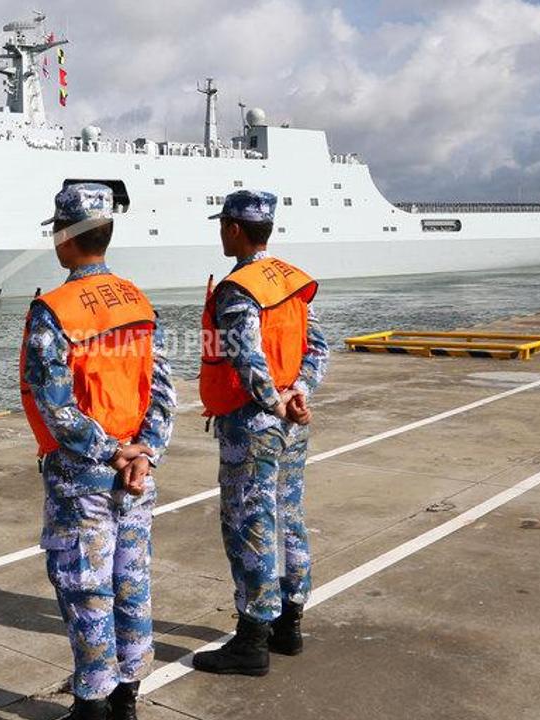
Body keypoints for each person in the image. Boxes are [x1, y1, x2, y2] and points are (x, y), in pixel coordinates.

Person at [19, 183, 177, 719]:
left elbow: (56, 406)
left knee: (85, 589)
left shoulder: (54, 310)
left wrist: (111, 454)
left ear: (65, 237)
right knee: (131, 582)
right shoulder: (137, 301)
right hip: (136, 474)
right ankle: (126, 697)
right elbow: (162, 391)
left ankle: (91, 706)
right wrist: (143, 454)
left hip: (83, 477)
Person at [191, 190, 328, 677]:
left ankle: (252, 639)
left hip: (252, 426)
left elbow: (245, 356)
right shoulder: (291, 280)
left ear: (233, 229)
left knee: (249, 523)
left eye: (222, 226)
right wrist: (298, 394)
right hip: (292, 422)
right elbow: (317, 348)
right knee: (288, 517)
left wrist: (273, 400)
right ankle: (290, 624)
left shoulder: (239, 288)